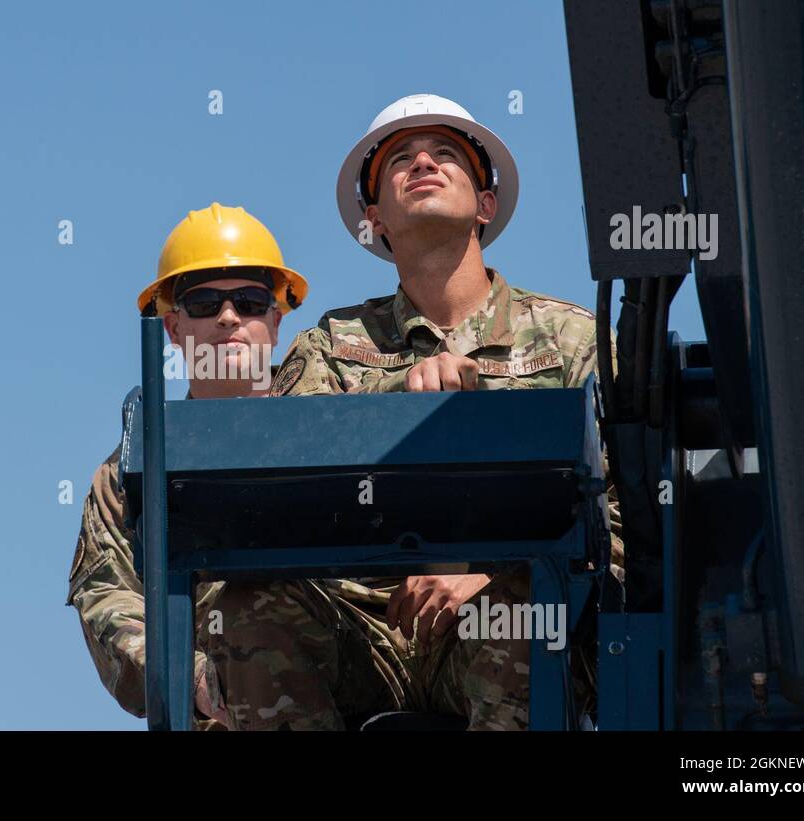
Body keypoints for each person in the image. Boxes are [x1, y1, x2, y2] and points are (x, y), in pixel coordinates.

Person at [200, 95, 622, 730]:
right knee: (249, 603)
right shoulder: (333, 346)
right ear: (375, 218)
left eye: (446, 153)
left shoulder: (573, 340)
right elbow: (283, 493)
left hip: (516, 609)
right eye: (400, 159)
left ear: (486, 204)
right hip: (369, 635)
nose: (423, 160)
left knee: (523, 610)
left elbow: (628, 515)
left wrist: (492, 569)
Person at [67, 203, 309, 729]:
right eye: (203, 303)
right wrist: (189, 673)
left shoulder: (334, 433)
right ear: (173, 329)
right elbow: (105, 598)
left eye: (249, 300)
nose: (228, 317)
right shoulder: (130, 472)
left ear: (276, 318)